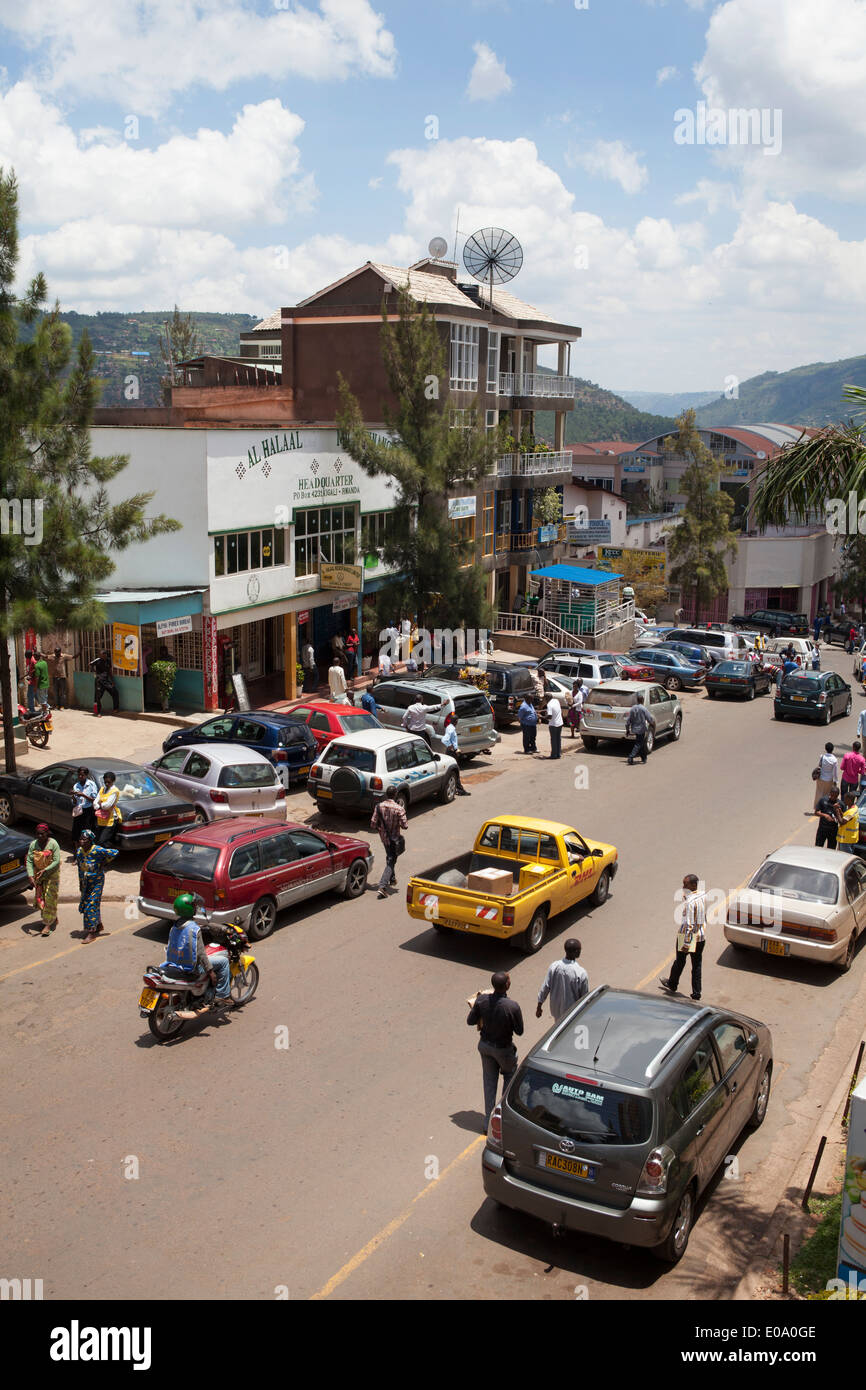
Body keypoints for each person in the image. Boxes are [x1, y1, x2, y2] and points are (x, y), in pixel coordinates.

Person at [467, 971, 524, 1131]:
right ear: (507, 985)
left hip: (485, 1047)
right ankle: (502, 1119)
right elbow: (519, 1031)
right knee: (510, 1076)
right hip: (503, 1049)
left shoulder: (482, 1000)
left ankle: (487, 1124)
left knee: (489, 1083)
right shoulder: (512, 1006)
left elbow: (470, 1021)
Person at [159, 892, 231, 1015]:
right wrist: (211, 972)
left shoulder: (175, 926)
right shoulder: (194, 929)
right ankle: (222, 996)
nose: (196, 908)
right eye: (194, 906)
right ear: (189, 909)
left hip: (174, 963)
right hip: (191, 968)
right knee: (223, 962)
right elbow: (201, 954)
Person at [660, 873, 707, 1001]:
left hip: (688, 937)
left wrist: (687, 943)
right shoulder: (702, 895)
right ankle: (696, 993)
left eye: (685, 884)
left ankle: (672, 984)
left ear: (693, 885)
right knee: (697, 965)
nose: (683, 886)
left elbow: (690, 924)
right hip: (701, 937)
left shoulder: (690, 902)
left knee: (680, 961)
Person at [76, 829, 118, 943]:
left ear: (90, 840)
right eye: (80, 839)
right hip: (85, 882)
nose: (82, 841)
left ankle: (91, 932)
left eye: (84, 839)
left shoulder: (97, 850)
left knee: (91, 905)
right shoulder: (79, 852)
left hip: (97, 882)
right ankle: (98, 924)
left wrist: (104, 862)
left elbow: (114, 852)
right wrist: (80, 882)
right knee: (87, 903)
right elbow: (80, 868)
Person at [535, 939, 589, 1022]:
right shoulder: (581, 973)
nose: (580, 951)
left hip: (557, 1013)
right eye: (579, 949)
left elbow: (545, 987)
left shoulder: (554, 966)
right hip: (572, 1015)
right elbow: (584, 997)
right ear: (576, 952)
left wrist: (539, 1006)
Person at [26, 824, 61, 936]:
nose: (40, 836)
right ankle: (52, 918)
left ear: (47, 833)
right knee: (41, 898)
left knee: (50, 898)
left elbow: (56, 860)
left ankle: (47, 925)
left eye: (42, 833)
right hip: (39, 876)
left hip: (52, 875)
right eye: (38, 833)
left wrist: (45, 870)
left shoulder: (53, 843)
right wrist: (31, 876)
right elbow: (29, 861)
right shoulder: (33, 845)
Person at [370, 795, 407, 899]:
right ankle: (382, 886)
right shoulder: (399, 808)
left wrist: (381, 829)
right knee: (391, 861)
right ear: (395, 795)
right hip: (394, 840)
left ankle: (392, 878)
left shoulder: (378, 806)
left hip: (384, 839)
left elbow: (373, 824)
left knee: (390, 857)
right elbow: (405, 825)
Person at [441, 717, 471, 795]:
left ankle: (456, 789)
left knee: (452, 771)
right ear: (456, 721)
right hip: (452, 752)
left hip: (452, 751)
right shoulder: (451, 729)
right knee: (455, 771)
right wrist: (453, 748)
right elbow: (444, 740)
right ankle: (460, 790)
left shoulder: (449, 727)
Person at [625, 691, 655, 765]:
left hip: (634, 728)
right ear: (642, 700)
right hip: (641, 729)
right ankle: (631, 757)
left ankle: (644, 758)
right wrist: (652, 724)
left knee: (641, 743)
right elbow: (649, 718)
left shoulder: (632, 708)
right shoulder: (644, 709)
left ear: (637, 700)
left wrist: (627, 730)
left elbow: (628, 721)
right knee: (639, 743)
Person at [94, 771, 122, 846]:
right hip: (101, 819)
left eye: (109, 782)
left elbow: (107, 806)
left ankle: (112, 854)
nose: (107, 784)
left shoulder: (114, 791)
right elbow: (95, 803)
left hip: (110, 819)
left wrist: (100, 804)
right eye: (105, 782)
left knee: (102, 841)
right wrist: (99, 805)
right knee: (98, 840)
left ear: (113, 781)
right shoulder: (102, 789)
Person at [72, 767, 98, 842]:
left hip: (88, 811)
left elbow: (94, 800)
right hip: (79, 811)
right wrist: (73, 796)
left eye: (82, 775)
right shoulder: (76, 785)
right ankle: (78, 851)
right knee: (76, 833)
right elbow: (74, 802)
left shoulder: (91, 784)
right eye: (79, 775)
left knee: (86, 833)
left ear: (86, 775)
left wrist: (83, 795)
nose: (80, 777)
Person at [91, 650, 119, 716]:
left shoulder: (108, 661)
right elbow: (90, 664)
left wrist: (112, 681)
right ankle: (98, 712)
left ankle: (115, 709)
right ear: (100, 655)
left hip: (106, 681)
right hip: (99, 681)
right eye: (102, 655)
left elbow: (109, 671)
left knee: (115, 692)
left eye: (105, 655)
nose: (104, 656)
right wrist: (95, 673)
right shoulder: (97, 660)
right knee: (98, 697)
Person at [813, 742, 838, 810]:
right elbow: (835, 772)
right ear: (832, 749)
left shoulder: (822, 757)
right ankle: (824, 808)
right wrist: (835, 781)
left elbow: (819, 766)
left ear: (825, 749)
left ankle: (817, 808)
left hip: (820, 778)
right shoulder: (834, 760)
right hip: (829, 780)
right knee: (826, 795)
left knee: (819, 793)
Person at [546, 692, 563, 759]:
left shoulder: (549, 705)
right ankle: (558, 754)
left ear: (546, 698)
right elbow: (555, 710)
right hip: (560, 723)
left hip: (553, 725)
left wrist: (541, 716)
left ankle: (553, 755)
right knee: (558, 739)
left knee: (553, 740)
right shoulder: (556, 701)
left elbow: (549, 716)